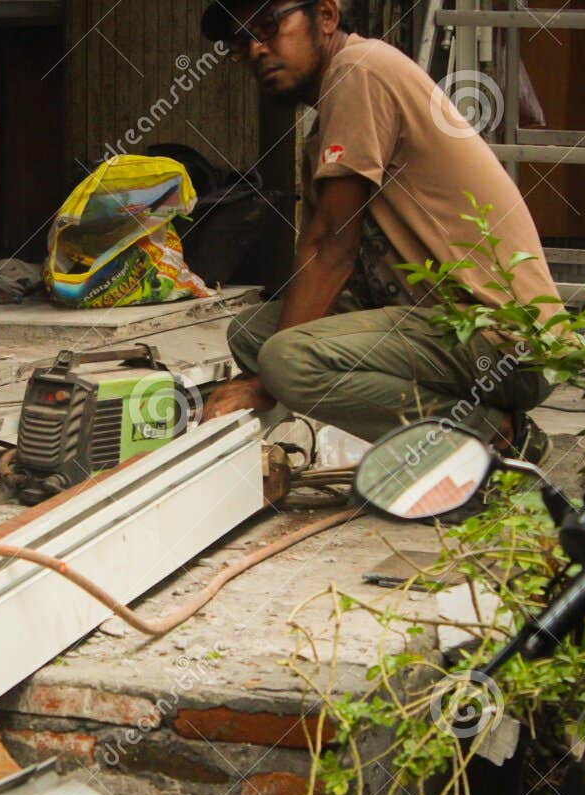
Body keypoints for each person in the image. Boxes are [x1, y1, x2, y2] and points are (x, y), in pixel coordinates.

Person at [201, 0, 557, 459]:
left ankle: (492, 436)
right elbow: (320, 256)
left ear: (326, 16)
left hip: (502, 339)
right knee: (253, 334)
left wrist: (267, 385)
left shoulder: (358, 71)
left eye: (268, 26)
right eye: (240, 41)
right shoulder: (330, 111)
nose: (255, 49)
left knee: (286, 359)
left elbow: (333, 248)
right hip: (440, 321)